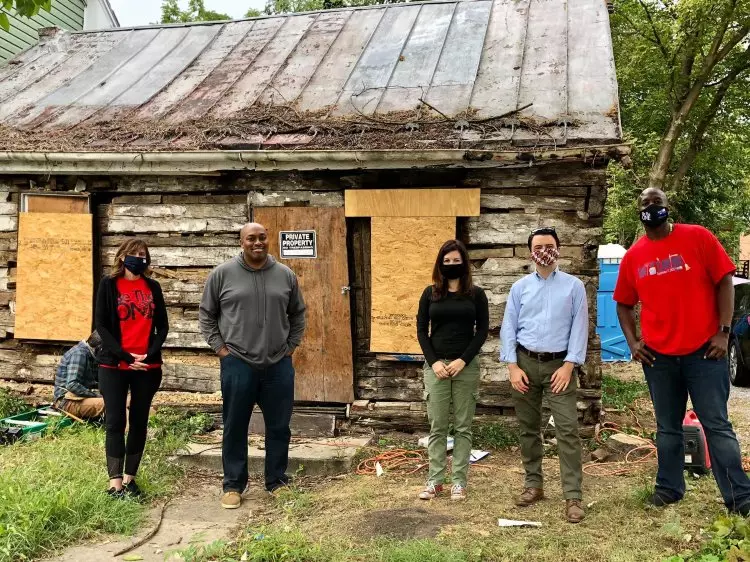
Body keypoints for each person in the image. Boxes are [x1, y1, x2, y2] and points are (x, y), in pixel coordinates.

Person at [614, 187, 750, 514]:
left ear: (667, 206)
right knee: (667, 429)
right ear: (639, 211)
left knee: (716, 426)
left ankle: (741, 499)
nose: (651, 208)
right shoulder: (635, 256)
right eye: (645, 204)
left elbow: (725, 281)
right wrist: (634, 343)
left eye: (656, 202)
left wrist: (723, 332)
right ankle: (669, 490)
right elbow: (623, 304)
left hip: (705, 353)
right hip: (659, 359)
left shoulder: (698, 238)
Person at [199, 222, 306, 510]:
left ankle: (276, 481)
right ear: (241, 242)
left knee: (279, 426)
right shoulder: (222, 275)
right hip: (238, 363)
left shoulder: (285, 276)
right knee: (235, 426)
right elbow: (207, 315)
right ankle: (233, 485)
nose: (257, 242)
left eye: (262, 237)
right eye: (250, 239)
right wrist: (221, 350)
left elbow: (298, 315)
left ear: (267, 239)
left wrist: (290, 348)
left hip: (277, 365)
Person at [500, 227, 588, 523]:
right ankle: (533, 484)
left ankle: (573, 496)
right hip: (524, 364)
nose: (544, 251)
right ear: (531, 252)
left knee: (567, 430)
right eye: (538, 246)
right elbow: (508, 328)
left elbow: (580, 327)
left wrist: (569, 365)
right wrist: (512, 366)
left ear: (558, 249)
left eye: (549, 245)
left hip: (559, 367)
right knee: (528, 428)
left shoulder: (574, 287)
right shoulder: (520, 288)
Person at [416, 239, 489, 501]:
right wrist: (434, 361)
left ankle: (459, 481)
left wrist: (463, 360)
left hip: (464, 368)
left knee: (462, 427)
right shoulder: (429, 294)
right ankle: (435, 481)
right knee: (437, 426)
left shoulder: (476, 295)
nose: (451, 265)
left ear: (464, 263)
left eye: (456, 261)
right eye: (446, 261)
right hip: (436, 366)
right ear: (440, 264)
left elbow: (481, 331)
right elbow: (421, 331)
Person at [95, 239, 168, 498]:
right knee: (115, 421)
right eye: (135, 254)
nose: (140, 258)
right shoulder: (109, 285)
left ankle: (130, 480)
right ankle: (114, 483)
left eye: (144, 254)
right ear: (123, 257)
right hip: (114, 364)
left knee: (139, 421)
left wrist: (148, 353)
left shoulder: (153, 287)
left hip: (147, 366)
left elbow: (163, 327)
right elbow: (101, 326)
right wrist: (125, 355)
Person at [53, 331, 104, 420]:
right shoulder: (79, 354)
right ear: (99, 348)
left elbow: (94, 381)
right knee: (111, 404)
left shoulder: (89, 354)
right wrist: (95, 395)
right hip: (66, 402)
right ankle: (120, 433)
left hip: (77, 399)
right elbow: (72, 385)